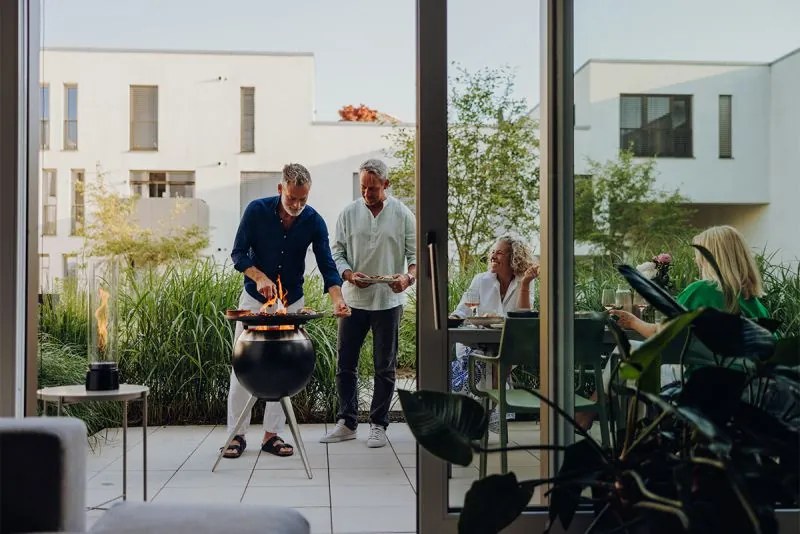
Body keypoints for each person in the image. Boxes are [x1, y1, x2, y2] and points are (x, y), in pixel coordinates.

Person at [576, 225, 769, 430]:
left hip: (697, 382)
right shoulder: (757, 305)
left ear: (711, 257)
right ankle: (621, 421)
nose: (696, 260)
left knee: (626, 352)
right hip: (744, 388)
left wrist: (632, 322)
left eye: (699, 254)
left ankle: (598, 415)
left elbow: (663, 334)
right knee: (635, 362)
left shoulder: (702, 290)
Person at [224, 163, 350, 459]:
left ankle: (272, 435)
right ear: (280, 189)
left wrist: (337, 299)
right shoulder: (256, 211)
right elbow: (238, 254)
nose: (297, 205)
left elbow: (327, 265)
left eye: (303, 199)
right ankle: (235, 435)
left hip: (291, 302)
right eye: (292, 198)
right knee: (242, 368)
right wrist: (260, 276)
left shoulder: (314, 221)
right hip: (255, 300)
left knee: (282, 370)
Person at [321, 159, 416, 448]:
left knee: (384, 367)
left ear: (386, 184)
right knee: (345, 364)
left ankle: (378, 424)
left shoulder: (403, 214)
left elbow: (415, 258)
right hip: (354, 299)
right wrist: (349, 274)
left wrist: (406, 279)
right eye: (363, 186)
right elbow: (335, 253)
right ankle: (347, 422)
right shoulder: (348, 213)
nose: (367, 193)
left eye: (372, 188)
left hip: (388, 300)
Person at [448, 236, 539, 428]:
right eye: (492, 251)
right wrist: (454, 317)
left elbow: (524, 317)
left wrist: (524, 285)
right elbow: (463, 308)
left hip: (509, 345)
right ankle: (482, 417)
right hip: (477, 343)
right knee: (481, 363)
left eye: (499, 252)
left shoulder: (525, 281)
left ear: (513, 257)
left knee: (492, 364)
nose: (493, 256)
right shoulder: (481, 280)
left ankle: (478, 420)